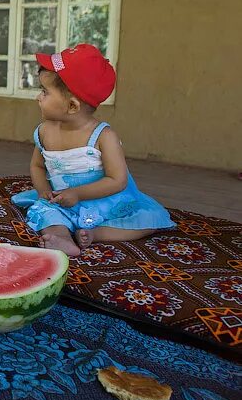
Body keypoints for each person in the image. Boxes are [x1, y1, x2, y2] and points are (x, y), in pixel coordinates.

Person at [11, 44, 175, 256]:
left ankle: (97, 233)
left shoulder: (104, 137)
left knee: (147, 220)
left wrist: (78, 194)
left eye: (44, 92)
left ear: (72, 106)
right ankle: (60, 237)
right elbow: (37, 165)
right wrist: (43, 191)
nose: (38, 97)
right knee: (47, 214)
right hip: (62, 200)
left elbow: (118, 180)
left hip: (104, 202)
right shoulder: (44, 131)